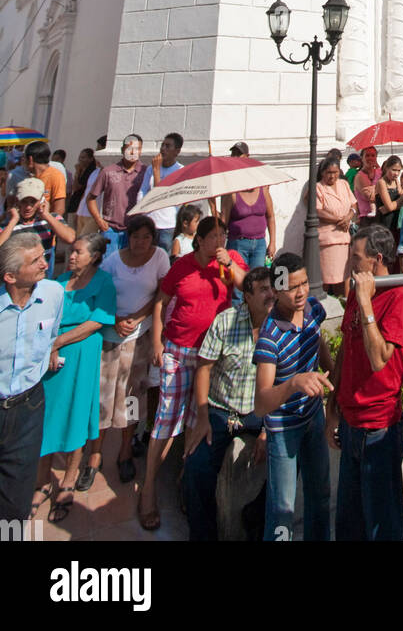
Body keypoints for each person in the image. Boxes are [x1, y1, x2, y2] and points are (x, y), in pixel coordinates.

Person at [137, 216, 246, 531]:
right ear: (198, 240)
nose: (219, 240)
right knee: (167, 419)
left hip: (212, 356)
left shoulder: (229, 260)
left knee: (198, 421)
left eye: (223, 235)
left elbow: (250, 287)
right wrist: (157, 340)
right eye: (213, 236)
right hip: (180, 351)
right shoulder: (182, 266)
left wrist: (230, 266)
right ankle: (148, 490)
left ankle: (187, 485)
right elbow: (162, 301)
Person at [326, 224, 403, 541]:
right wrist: (331, 408)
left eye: (356, 258)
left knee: (382, 525)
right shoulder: (355, 292)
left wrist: (365, 304)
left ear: (376, 260)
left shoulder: (398, 298)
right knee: (349, 524)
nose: (351, 264)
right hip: (350, 426)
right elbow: (347, 354)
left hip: (380, 431)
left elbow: (379, 359)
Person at [184, 265, 275, 541]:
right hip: (222, 412)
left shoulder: (280, 325)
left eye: (272, 288)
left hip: (260, 413)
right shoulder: (226, 321)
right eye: (262, 290)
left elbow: (285, 382)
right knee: (196, 466)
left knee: (284, 459)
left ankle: (258, 521)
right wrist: (202, 417)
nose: (270, 295)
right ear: (246, 296)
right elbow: (203, 368)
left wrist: (266, 431)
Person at [79, 215, 170, 489]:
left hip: (140, 336)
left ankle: (126, 450)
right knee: (104, 398)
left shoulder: (160, 257)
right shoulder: (113, 261)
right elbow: (102, 291)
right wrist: (116, 318)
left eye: (146, 236)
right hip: (111, 336)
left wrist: (138, 316)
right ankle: (95, 456)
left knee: (132, 396)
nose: (141, 242)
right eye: (135, 237)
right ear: (127, 237)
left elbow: (162, 294)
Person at [34, 233, 115, 523]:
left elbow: (97, 321)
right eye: (71, 251)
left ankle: (69, 478)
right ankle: (42, 480)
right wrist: (51, 343)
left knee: (76, 414)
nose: (71, 255)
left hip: (81, 352)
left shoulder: (103, 282)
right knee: (46, 415)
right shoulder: (58, 281)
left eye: (78, 251)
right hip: (54, 352)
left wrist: (59, 342)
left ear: (93, 255)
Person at [253, 252, 332, 542]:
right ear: (276, 290)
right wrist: (294, 383)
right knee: (282, 512)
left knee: (321, 496)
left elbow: (317, 338)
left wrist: (331, 370)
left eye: (304, 284)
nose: (300, 293)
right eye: (291, 287)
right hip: (284, 430)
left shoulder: (313, 308)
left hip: (314, 418)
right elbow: (261, 403)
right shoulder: (269, 337)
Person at [0, 232, 64, 523]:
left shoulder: (53, 294)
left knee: (16, 502)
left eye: (43, 256)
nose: (44, 264)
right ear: (10, 276)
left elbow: (52, 336)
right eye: (35, 260)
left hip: (28, 408)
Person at [0, 177, 76, 277]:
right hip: (18, 279)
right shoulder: (9, 224)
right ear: (17, 201)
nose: (28, 207)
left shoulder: (51, 219)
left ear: (41, 201)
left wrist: (46, 215)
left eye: (33, 202)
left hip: (43, 277)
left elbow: (70, 238)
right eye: (24, 201)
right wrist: (13, 221)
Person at [86, 134, 148, 256]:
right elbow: (91, 198)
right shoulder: (108, 172)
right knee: (108, 267)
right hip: (110, 230)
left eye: (136, 148)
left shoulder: (146, 172)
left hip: (135, 231)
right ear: (122, 150)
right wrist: (99, 220)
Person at [136, 132, 184, 255]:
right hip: (150, 221)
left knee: (162, 258)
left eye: (168, 146)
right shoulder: (151, 168)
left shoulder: (180, 171)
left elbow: (161, 196)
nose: (163, 149)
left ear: (177, 151)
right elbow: (143, 190)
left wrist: (157, 171)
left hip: (167, 224)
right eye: (162, 145)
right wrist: (141, 211)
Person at [316, 159, 356, 296]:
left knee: (345, 275)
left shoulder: (344, 184)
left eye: (335, 172)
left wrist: (349, 217)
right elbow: (318, 211)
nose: (332, 176)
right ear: (322, 173)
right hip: (328, 239)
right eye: (328, 173)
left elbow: (353, 204)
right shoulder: (318, 188)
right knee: (326, 277)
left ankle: (344, 303)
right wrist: (339, 220)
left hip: (344, 238)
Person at [221, 180, 276, 271]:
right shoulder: (232, 194)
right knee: (239, 279)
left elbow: (271, 217)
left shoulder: (264, 190)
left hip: (260, 244)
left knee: (258, 279)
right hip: (237, 244)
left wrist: (272, 243)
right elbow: (223, 223)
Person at [375, 155, 403, 236]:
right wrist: (400, 199)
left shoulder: (396, 181)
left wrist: (389, 208)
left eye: (399, 171)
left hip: (396, 221)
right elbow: (390, 206)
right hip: (384, 224)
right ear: (386, 168)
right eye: (394, 170)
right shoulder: (381, 182)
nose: (396, 174)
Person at [353, 145, 381, 222]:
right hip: (366, 218)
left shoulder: (379, 172)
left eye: (373, 155)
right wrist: (381, 189)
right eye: (367, 155)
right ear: (362, 158)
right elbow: (370, 197)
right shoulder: (359, 176)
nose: (370, 158)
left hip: (380, 215)